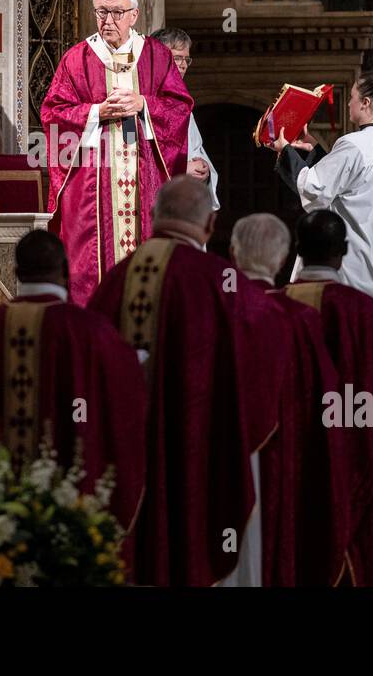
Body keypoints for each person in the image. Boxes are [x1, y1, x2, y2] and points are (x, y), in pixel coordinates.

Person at [89, 176, 271, 587]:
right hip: (196, 463)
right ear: (209, 226)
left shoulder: (113, 281)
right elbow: (257, 378)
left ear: (151, 218)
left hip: (123, 469)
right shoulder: (223, 283)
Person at [280, 209, 373, 586]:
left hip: (284, 460)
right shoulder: (365, 312)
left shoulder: (272, 307)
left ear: (298, 250)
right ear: (343, 252)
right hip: (351, 455)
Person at [0, 231, 145, 530]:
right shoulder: (90, 331)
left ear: (17, 272)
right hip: (71, 496)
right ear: (65, 270)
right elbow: (126, 397)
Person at [40, 0, 194, 305]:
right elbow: (53, 113)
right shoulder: (76, 59)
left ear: (134, 15)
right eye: (101, 12)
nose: (107, 20)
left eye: (116, 12)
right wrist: (96, 111)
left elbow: (180, 106)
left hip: (145, 177)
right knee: (85, 266)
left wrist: (143, 105)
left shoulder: (156, 55)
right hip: (92, 182)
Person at [230, 213, 351, 586]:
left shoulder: (210, 306)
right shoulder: (296, 319)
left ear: (233, 253)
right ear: (283, 259)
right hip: (283, 459)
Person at [269, 70, 373, 306]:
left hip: (356, 275)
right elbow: (351, 185)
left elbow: (315, 189)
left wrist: (284, 150)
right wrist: (314, 148)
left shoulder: (354, 144)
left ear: (365, 103)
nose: (348, 102)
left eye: (352, 97)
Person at [151, 28, 218, 210]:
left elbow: (196, 148)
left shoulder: (182, 105)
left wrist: (204, 168)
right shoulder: (142, 101)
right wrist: (182, 168)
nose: (183, 65)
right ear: (157, 58)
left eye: (186, 59)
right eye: (177, 58)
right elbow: (137, 156)